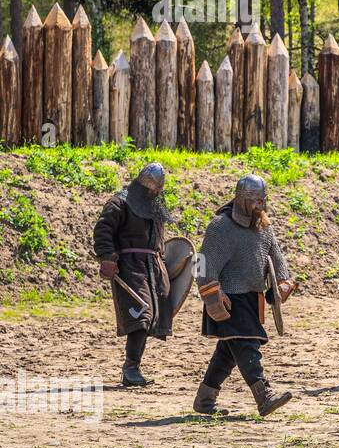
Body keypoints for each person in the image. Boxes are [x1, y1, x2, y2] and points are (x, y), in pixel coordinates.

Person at [191, 175, 296, 417]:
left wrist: (283, 281)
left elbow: (276, 256)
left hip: (252, 297)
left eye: (261, 200)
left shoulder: (263, 226)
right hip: (229, 298)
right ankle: (264, 396)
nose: (258, 206)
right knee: (247, 345)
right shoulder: (221, 226)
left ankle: (205, 400)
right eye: (253, 201)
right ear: (240, 199)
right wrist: (211, 291)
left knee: (228, 352)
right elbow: (202, 262)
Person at [92, 162, 174, 387]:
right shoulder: (120, 202)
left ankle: (134, 367)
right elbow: (103, 229)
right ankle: (130, 369)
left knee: (155, 314)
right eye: (153, 189)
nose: (156, 192)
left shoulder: (153, 206)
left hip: (152, 265)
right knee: (141, 314)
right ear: (144, 185)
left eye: (158, 189)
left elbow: (158, 240)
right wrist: (107, 257)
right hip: (130, 266)